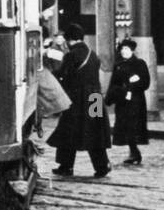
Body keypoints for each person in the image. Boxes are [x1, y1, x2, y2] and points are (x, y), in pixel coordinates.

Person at [48, 23, 112, 178]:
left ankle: (65, 166)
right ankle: (102, 165)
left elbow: (64, 76)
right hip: (95, 97)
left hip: (77, 98)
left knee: (68, 130)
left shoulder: (71, 55)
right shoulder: (93, 53)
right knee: (95, 130)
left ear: (70, 39)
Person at [106, 37, 151, 166]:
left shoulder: (139, 64)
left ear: (132, 50)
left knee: (133, 127)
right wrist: (110, 98)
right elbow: (113, 83)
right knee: (125, 127)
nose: (124, 51)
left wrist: (134, 84)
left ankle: (135, 153)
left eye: (126, 49)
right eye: (122, 49)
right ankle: (133, 152)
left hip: (136, 101)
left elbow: (145, 82)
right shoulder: (118, 65)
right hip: (122, 100)